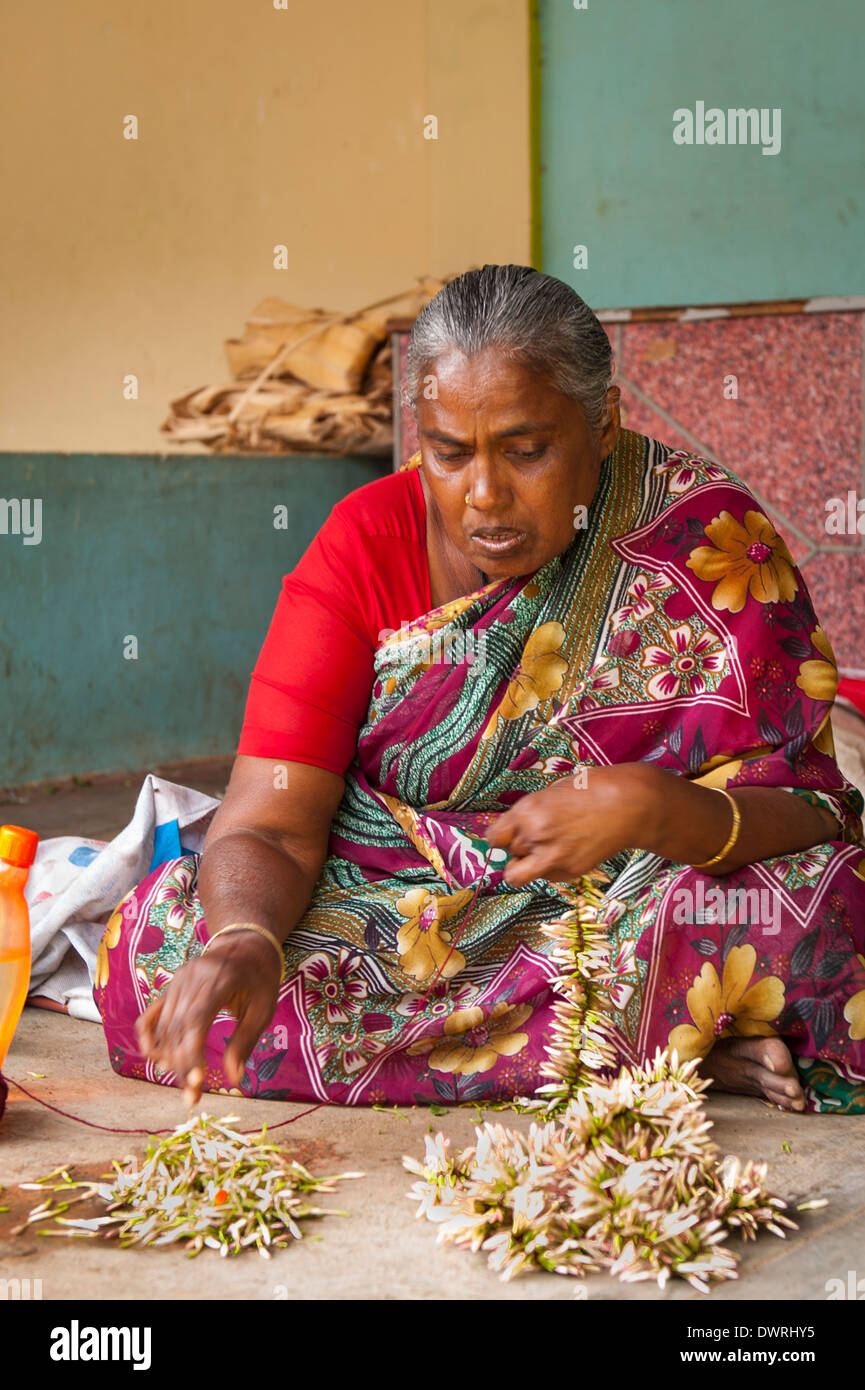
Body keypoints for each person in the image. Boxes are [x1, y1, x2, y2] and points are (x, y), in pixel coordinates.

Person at [95, 264, 865, 1115]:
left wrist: (656, 809)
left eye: (527, 450)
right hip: (401, 907)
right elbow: (270, 822)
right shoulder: (362, 547)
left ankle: (623, 1031)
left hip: (641, 893)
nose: (484, 495)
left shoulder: (706, 536)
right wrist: (244, 938)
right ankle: (666, 1038)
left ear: (602, 424)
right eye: (449, 454)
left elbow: (809, 806)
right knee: (164, 955)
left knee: (835, 905)